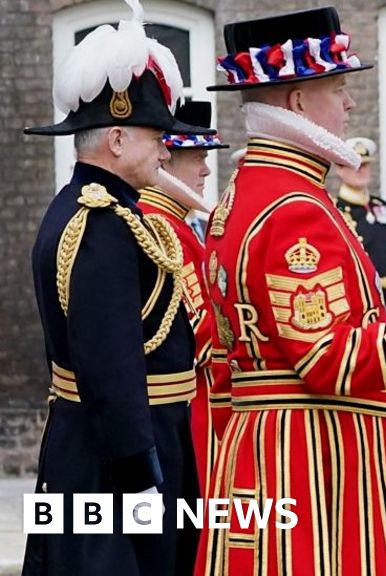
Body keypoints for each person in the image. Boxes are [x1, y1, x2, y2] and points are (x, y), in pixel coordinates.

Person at [197, 8, 386, 575]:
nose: (349, 104)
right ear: (296, 101)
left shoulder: (248, 197)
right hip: (314, 467)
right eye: (338, 88)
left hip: (266, 453)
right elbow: (330, 360)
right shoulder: (294, 211)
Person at [21, 2, 209, 574]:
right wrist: (139, 476)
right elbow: (111, 365)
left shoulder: (105, 211)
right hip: (118, 462)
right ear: (120, 139)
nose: (166, 150)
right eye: (158, 136)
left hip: (133, 445)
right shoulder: (100, 222)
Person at [137, 100, 227, 498]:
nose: (206, 169)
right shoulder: (161, 225)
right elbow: (200, 332)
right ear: (166, 162)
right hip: (188, 398)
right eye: (196, 158)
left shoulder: (179, 221)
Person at [335, 137, 386, 314]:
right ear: (340, 169)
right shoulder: (335, 211)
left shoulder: (381, 207)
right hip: (358, 305)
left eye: (365, 165)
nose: (361, 170)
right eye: (354, 165)